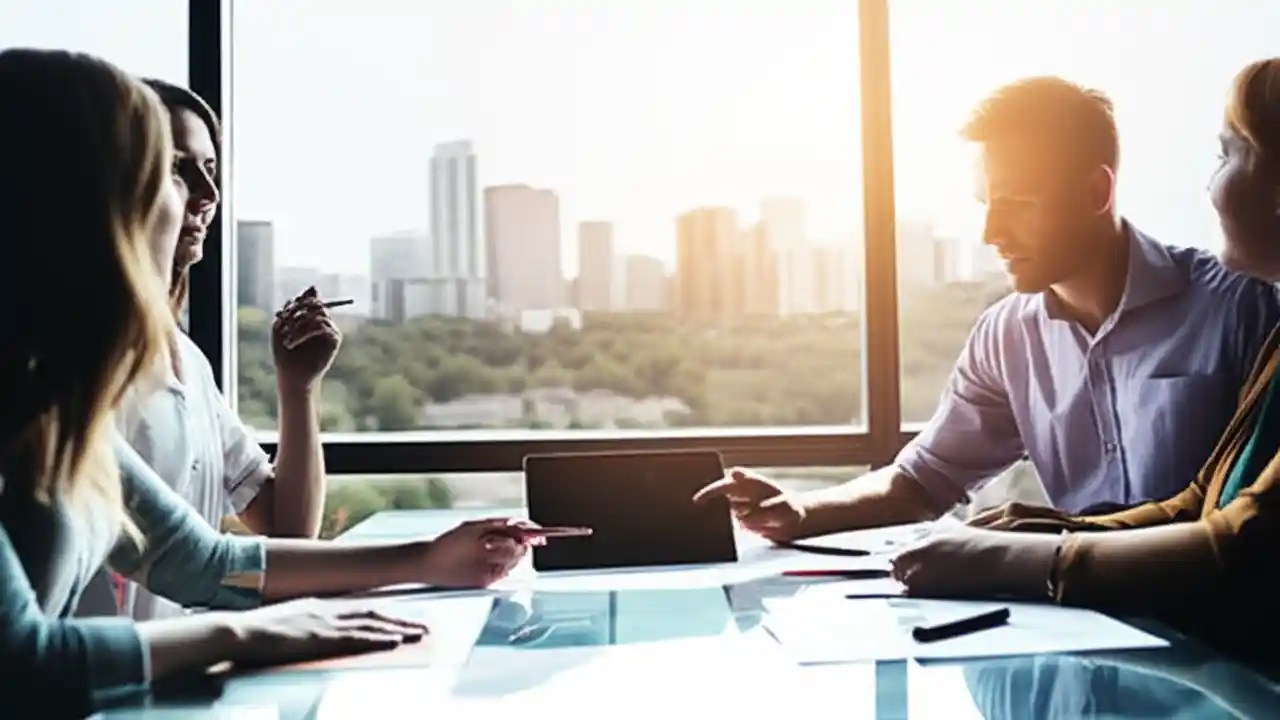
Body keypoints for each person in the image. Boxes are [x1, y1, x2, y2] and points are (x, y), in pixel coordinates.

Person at [0, 47, 539, 717]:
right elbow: (17, 664)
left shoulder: (56, 406)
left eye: (207, 174)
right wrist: (243, 634)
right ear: (80, 201)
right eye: (163, 171)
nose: (198, 198)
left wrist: (429, 559)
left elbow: (199, 559)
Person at [695, 76, 1280, 543]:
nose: (990, 232)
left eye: (1019, 202)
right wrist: (799, 510)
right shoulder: (1006, 336)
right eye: (985, 204)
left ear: (1097, 194)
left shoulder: (1240, 307)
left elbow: (1248, 526)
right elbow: (923, 480)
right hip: (1081, 621)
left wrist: (1038, 547)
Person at [891, 58, 1280, 673]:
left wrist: (1009, 561)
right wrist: (1045, 530)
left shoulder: (1246, 308)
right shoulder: (1005, 331)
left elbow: (1246, 547)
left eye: (1227, 157)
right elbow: (1201, 501)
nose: (1209, 188)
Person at [97, 78, 335, 622]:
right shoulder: (77, 368)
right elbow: (203, 564)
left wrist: (298, 389)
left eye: (212, 171)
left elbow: (288, 528)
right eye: (180, 168)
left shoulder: (190, 363)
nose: (208, 195)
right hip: (102, 685)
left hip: (170, 681)